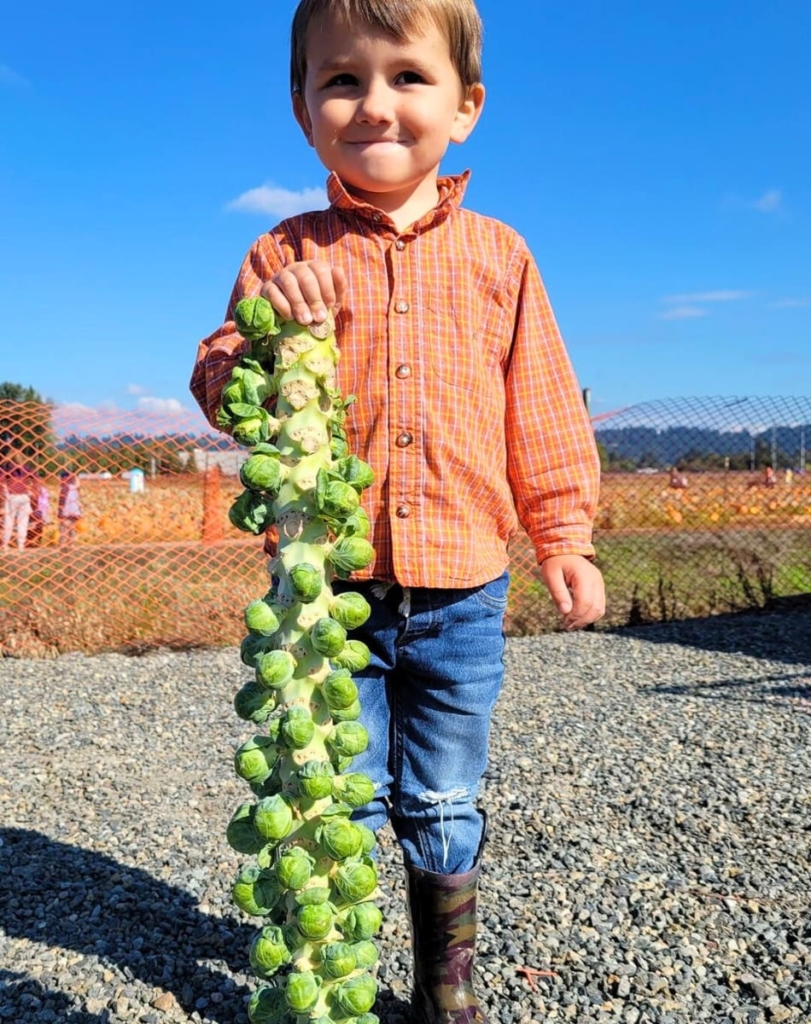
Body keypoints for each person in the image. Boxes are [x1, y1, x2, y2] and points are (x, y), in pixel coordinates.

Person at [191, 2, 605, 1020]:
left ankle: (443, 984)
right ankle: (331, 957)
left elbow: (542, 406)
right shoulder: (282, 254)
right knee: (331, 791)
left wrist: (564, 532)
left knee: (445, 795)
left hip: (465, 587)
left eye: (407, 78)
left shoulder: (500, 255)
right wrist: (260, 339)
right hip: (328, 603)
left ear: (464, 106)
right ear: (302, 108)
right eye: (340, 80)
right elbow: (216, 381)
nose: (374, 104)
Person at [1, 451, 36, 551]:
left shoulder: (7, 467)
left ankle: (5, 545)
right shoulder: (26, 467)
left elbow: (2, 480)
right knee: (23, 522)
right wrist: (29, 488)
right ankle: (21, 545)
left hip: (12, 496)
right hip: (24, 496)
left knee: (9, 520)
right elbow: (34, 478)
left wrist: (5, 491)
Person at [58, 470, 82, 546]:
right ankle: (72, 544)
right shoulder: (74, 488)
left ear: (64, 478)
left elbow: (62, 502)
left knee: (63, 529)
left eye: (61, 478)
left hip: (66, 512)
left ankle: (63, 544)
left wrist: (60, 513)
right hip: (75, 512)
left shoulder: (64, 488)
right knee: (72, 528)